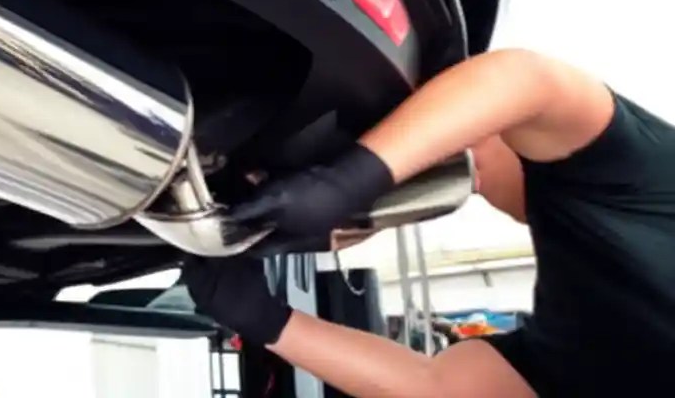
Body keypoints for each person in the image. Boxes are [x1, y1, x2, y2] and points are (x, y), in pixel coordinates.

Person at [184, 49, 675, 397]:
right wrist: (350, 179)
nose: (471, 176)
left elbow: (436, 388)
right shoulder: (646, 194)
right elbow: (529, 82)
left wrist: (264, 319)